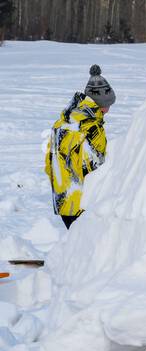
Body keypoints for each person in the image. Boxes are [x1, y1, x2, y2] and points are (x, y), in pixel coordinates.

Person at [45, 65, 115, 229]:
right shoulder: (90, 128)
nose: (109, 109)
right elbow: (97, 167)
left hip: (63, 199)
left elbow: (50, 161)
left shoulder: (63, 122)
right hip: (82, 203)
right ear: (100, 104)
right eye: (108, 104)